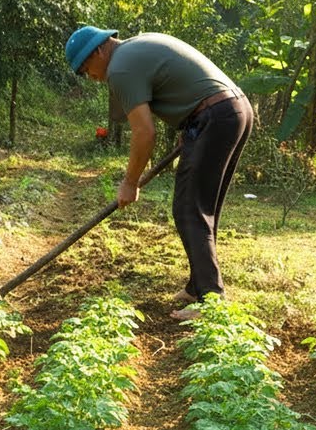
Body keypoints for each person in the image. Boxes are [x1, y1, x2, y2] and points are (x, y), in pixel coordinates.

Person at [65, 26, 253, 320]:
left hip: (214, 115)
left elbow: (143, 133)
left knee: (190, 210)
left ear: (99, 50)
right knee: (201, 209)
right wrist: (189, 123)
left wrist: (130, 182)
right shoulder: (136, 46)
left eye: (88, 69)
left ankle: (211, 300)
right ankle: (197, 287)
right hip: (232, 109)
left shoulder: (120, 68)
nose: (92, 77)